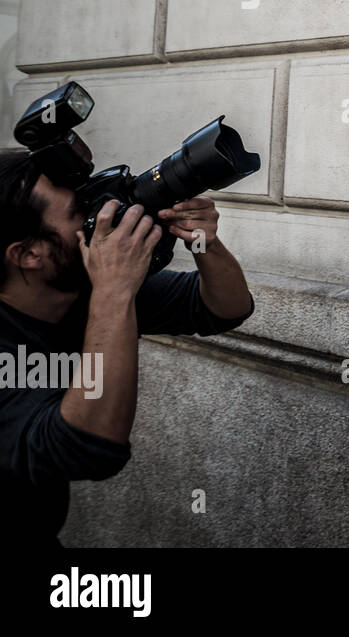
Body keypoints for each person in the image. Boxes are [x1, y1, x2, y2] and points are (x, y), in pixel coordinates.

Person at [0, 152, 254, 546]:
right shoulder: (102, 292)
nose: (98, 216)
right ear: (28, 254)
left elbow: (225, 307)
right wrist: (114, 291)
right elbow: (85, 448)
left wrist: (204, 242)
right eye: (78, 213)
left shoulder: (79, 289)